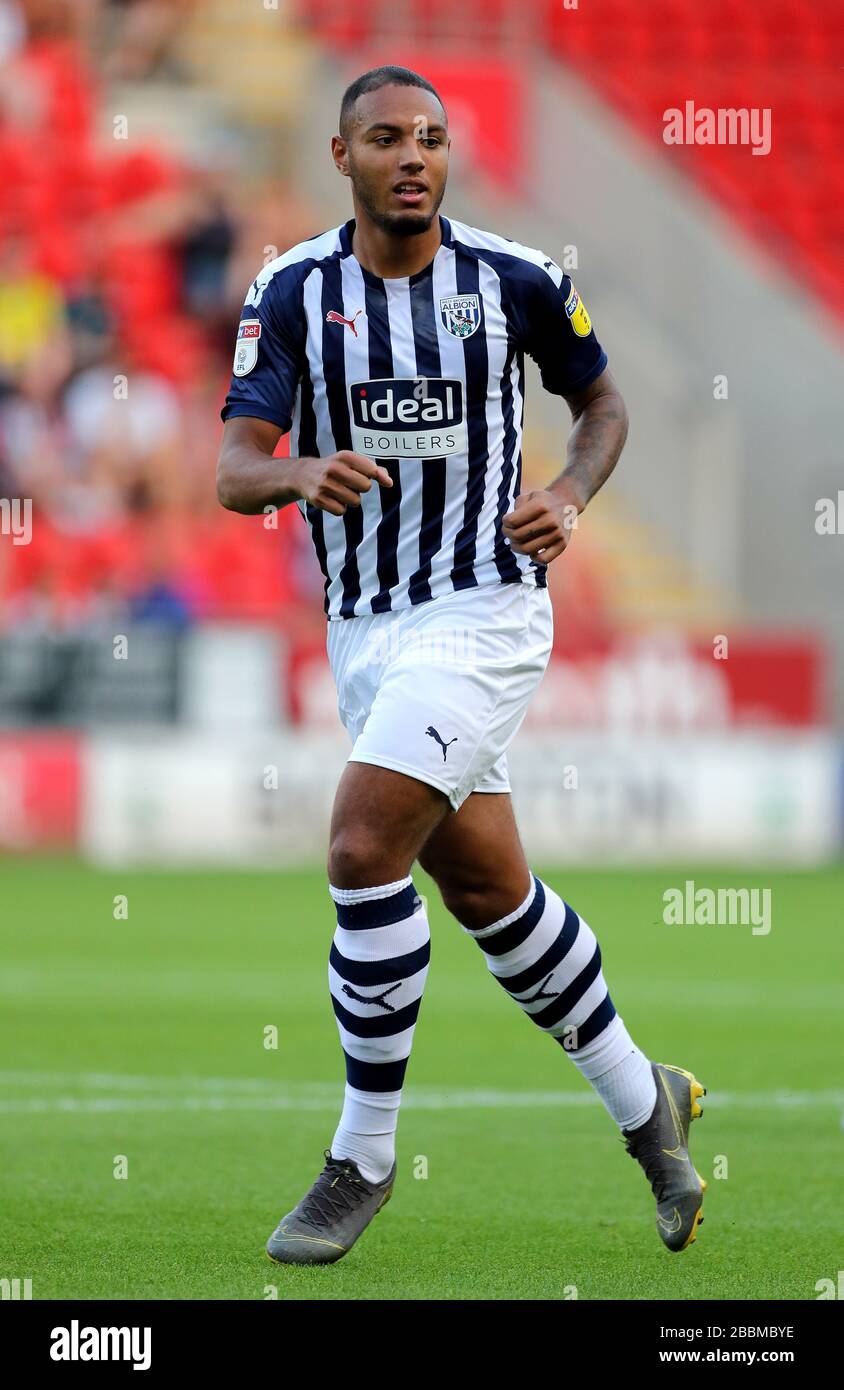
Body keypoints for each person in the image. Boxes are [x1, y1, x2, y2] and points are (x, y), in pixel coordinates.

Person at [216, 65, 706, 1266]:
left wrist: (570, 494)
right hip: (367, 632)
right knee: (490, 894)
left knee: (359, 844)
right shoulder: (292, 292)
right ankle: (651, 1103)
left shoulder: (514, 280)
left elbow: (602, 404)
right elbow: (235, 468)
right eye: (387, 138)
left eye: (432, 138)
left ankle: (362, 1157)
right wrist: (297, 475)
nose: (414, 157)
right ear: (343, 157)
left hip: (484, 612)